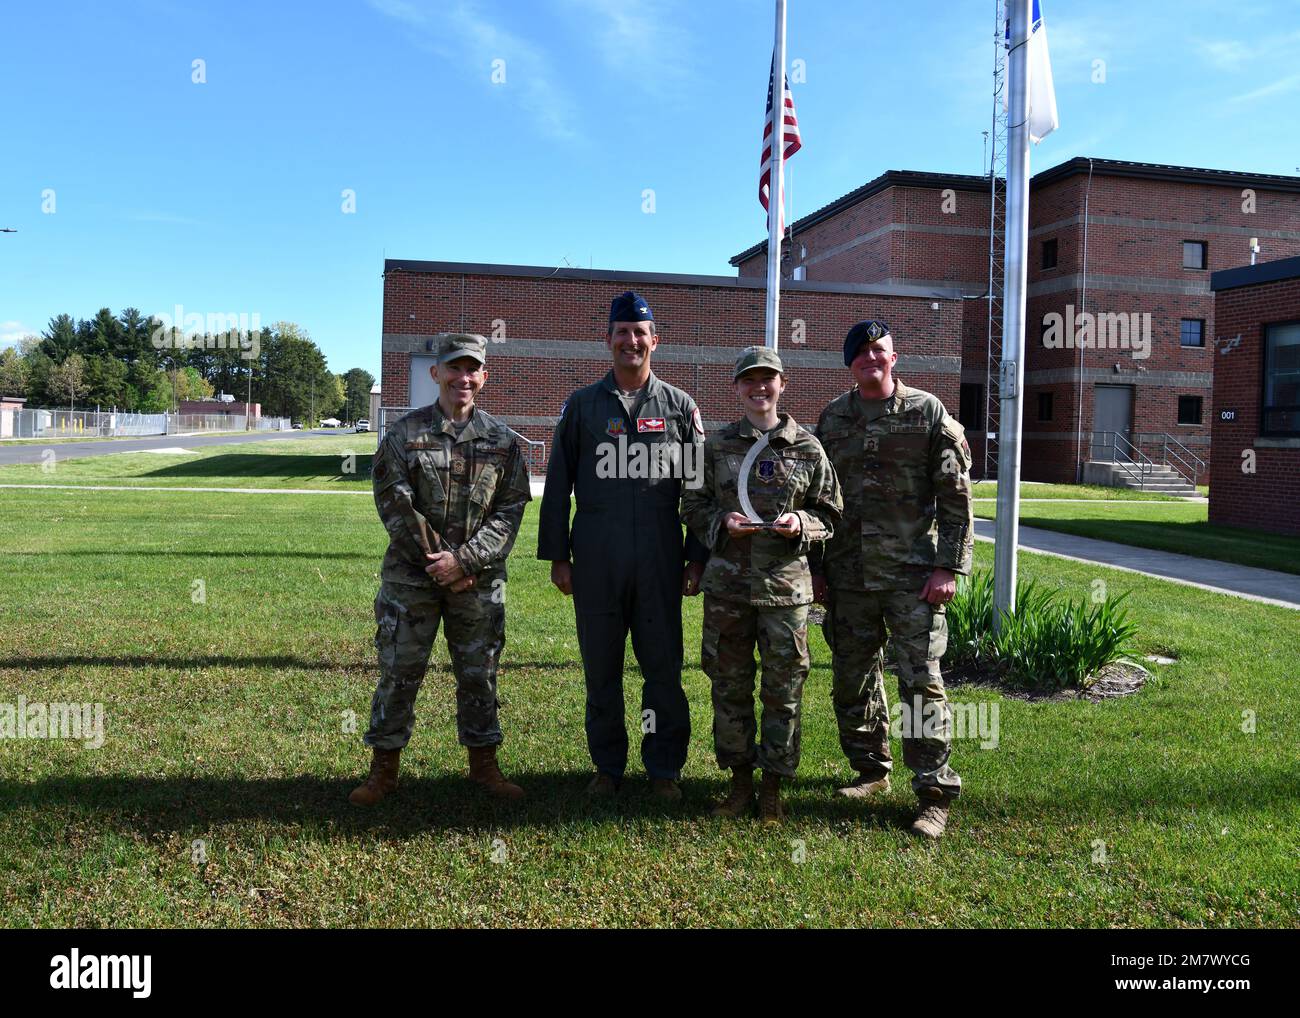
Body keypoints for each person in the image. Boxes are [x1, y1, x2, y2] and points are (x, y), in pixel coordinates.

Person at [537, 291, 707, 801]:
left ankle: (663, 770)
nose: (631, 341)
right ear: (607, 340)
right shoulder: (584, 406)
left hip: (659, 554)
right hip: (596, 556)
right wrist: (559, 556)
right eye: (621, 332)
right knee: (602, 669)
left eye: (640, 332)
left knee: (662, 669)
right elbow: (558, 483)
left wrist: (696, 557)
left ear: (655, 340)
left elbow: (696, 491)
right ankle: (607, 766)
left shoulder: (679, 407)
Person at [350, 333, 532, 806]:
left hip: (478, 583)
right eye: (454, 368)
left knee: (480, 673)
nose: (463, 378)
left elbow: (510, 511)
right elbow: (395, 505)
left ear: (484, 378)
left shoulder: (502, 442)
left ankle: (484, 767)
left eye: (472, 369)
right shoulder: (403, 435)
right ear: (437, 374)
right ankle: (383, 771)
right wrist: (444, 564)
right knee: (400, 670)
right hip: (413, 581)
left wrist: (466, 562)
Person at [811, 319, 974, 839]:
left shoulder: (927, 412)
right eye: (860, 354)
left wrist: (949, 566)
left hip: (912, 576)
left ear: (894, 356)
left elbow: (955, 497)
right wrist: (817, 570)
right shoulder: (832, 419)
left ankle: (933, 792)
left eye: (878, 350)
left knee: (921, 683)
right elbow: (817, 500)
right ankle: (870, 771)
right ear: (850, 364)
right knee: (852, 678)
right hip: (848, 575)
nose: (870, 359)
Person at [681, 346, 841, 824]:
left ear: (782, 385)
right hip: (728, 588)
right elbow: (690, 506)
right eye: (749, 380)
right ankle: (738, 784)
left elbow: (831, 513)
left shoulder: (808, 448)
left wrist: (802, 523)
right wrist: (721, 523)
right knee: (728, 685)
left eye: (767, 379)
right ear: (736, 389)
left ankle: (773, 787)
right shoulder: (712, 448)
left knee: (783, 688)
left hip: (785, 592)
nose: (759, 388)